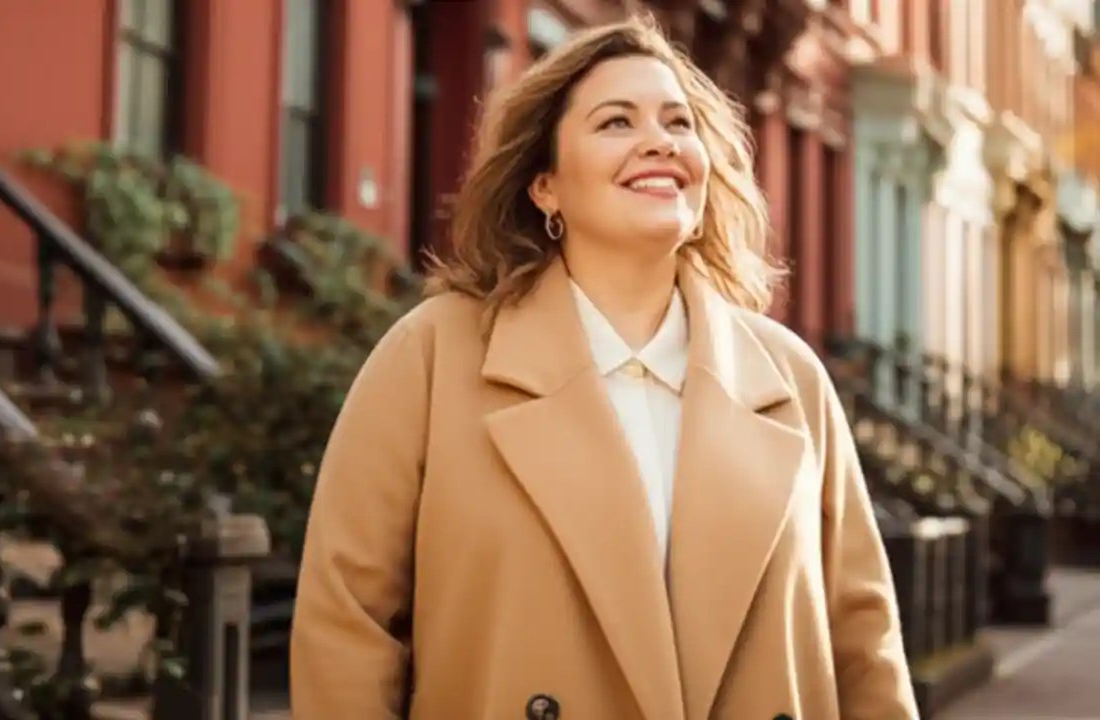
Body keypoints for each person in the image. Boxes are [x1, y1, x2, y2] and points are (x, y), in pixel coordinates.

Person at [290, 13, 918, 720]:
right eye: (616, 122)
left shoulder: (789, 377)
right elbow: (345, 626)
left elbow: (865, 641)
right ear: (545, 186)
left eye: (679, 123)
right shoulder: (434, 356)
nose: (660, 142)